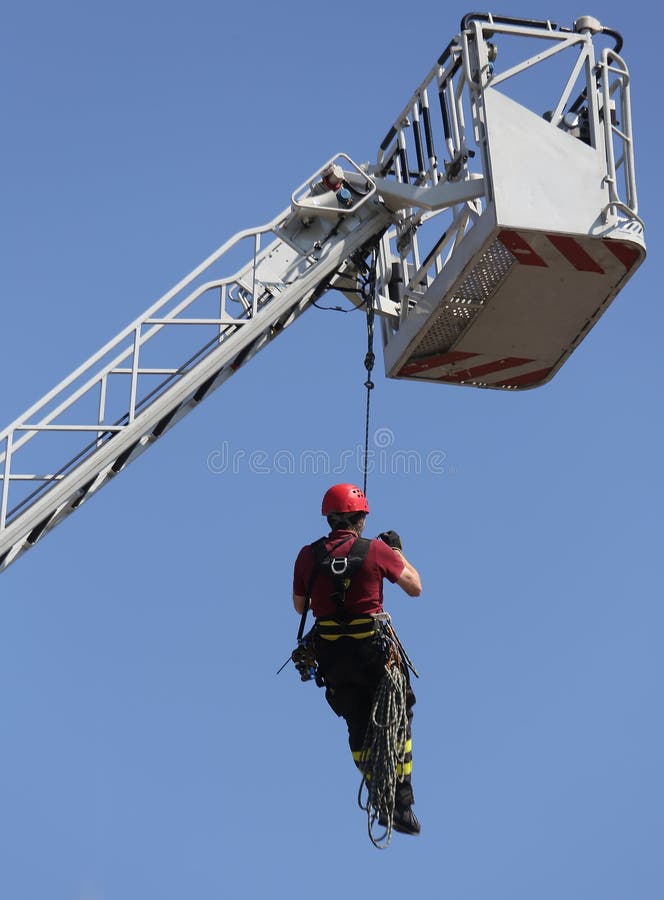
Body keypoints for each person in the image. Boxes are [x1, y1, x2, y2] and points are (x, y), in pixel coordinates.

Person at [292, 483, 423, 835]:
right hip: (373, 655)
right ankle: (402, 802)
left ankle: (380, 799)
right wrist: (396, 551)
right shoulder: (376, 550)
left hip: (334, 659)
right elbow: (415, 587)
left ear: (330, 519)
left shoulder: (308, 555)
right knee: (399, 714)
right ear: (360, 519)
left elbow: (300, 606)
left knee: (357, 725)